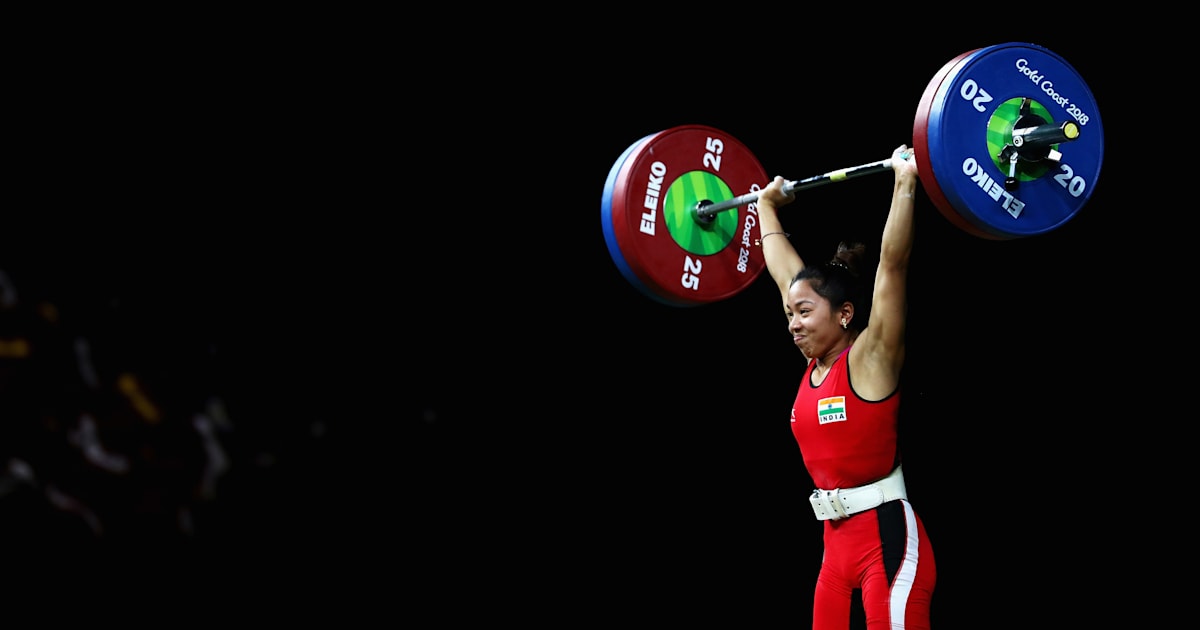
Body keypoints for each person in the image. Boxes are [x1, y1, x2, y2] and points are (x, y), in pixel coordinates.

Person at [754, 144, 935, 629]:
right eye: (790, 314)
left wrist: (904, 181)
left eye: (805, 313)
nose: (793, 323)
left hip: (889, 544)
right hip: (835, 552)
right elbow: (783, 272)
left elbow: (892, 268)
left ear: (845, 315)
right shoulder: (813, 361)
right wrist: (765, 207)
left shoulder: (870, 357)